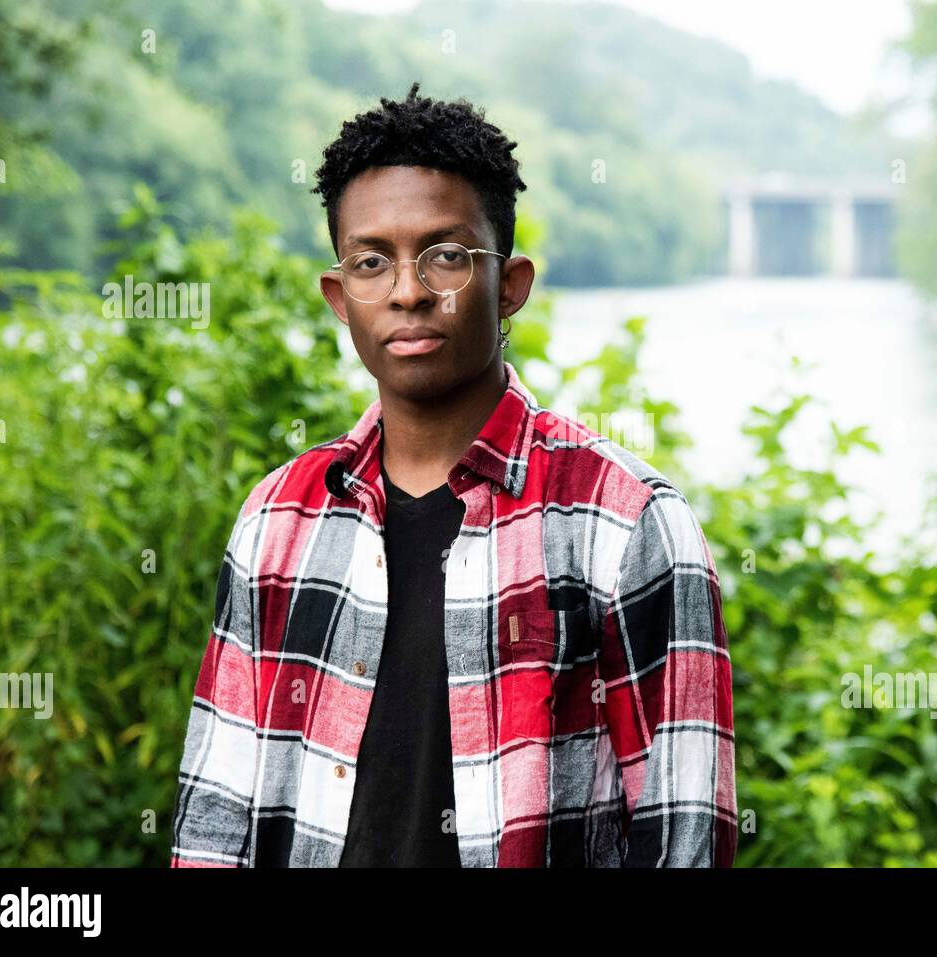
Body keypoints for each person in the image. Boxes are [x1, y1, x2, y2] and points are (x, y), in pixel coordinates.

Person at [170, 82, 736, 867]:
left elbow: (685, 840)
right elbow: (213, 820)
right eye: (372, 262)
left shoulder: (624, 522)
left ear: (510, 284)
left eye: (445, 255)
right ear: (340, 296)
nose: (408, 291)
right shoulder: (278, 519)